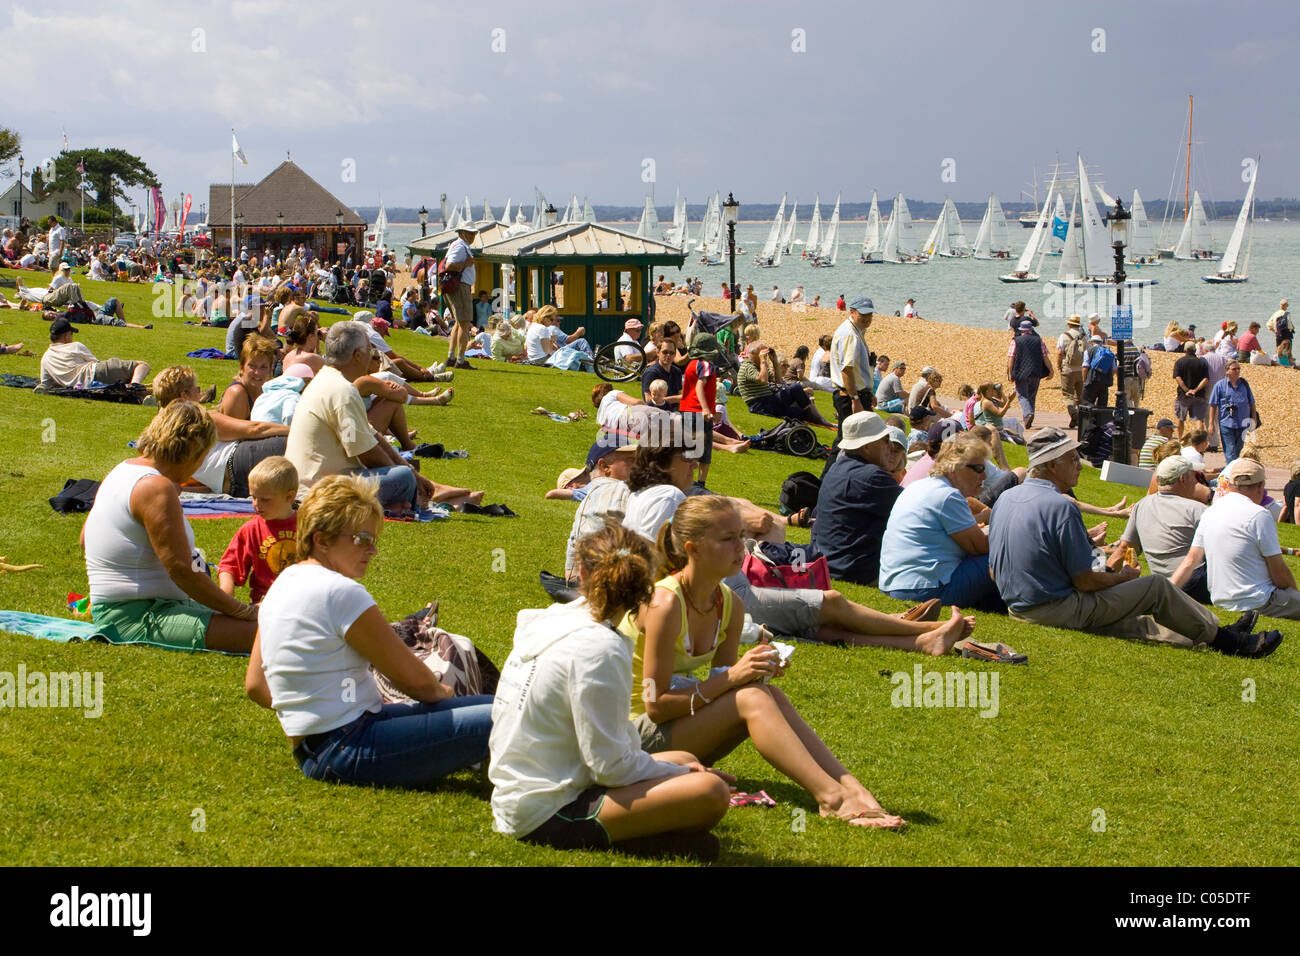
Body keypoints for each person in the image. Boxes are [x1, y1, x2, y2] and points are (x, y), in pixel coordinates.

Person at [620, 495, 907, 828]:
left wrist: (751, 673)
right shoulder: (665, 603)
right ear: (692, 548)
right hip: (629, 737)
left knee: (767, 694)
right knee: (752, 697)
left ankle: (852, 787)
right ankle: (833, 798)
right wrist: (735, 680)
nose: (740, 548)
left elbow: (724, 686)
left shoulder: (728, 604)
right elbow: (655, 705)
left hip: (673, 733)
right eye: (727, 539)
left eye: (741, 536)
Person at [489, 520, 731, 856]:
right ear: (646, 588)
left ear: (582, 574)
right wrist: (675, 773)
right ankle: (648, 838)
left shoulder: (553, 620)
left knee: (686, 759)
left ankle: (662, 834)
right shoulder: (600, 648)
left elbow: (606, 754)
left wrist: (676, 767)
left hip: (518, 791)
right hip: (547, 809)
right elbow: (609, 767)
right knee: (710, 791)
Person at [244, 475, 496, 786]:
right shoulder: (340, 592)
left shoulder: (280, 585)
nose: (372, 551)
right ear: (321, 540)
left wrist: (307, 711)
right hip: (349, 747)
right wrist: (446, 698)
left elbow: (256, 684)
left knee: (504, 707)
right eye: (362, 539)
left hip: (318, 745)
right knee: (508, 716)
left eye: (373, 540)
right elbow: (419, 684)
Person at [988, 427, 1276, 656]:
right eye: (1073, 459)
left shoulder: (1006, 499)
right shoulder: (1059, 506)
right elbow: (1086, 582)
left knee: (1135, 625)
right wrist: (1122, 578)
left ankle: (1215, 634)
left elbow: (994, 570)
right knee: (1156, 586)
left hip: (1020, 609)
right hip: (1056, 608)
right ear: (1051, 465)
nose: (1078, 465)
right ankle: (1229, 641)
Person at [81, 401, 259, 653]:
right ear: (194, 452)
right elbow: (182, 570)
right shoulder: (155, 487)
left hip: (137, 607)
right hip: (140, 614)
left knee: (277, 625)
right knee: (272, 636)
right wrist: (241, 610)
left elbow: (85, 538)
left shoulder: (123, 470)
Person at [285, 321, 478, 513]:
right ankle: (425, 499)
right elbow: (366, 453)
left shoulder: (327, 380)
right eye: (370, 351)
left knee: (405, 472)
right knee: (401, 477)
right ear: (357, 356)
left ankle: (431, 491)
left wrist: (414, 474)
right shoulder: (342, 391)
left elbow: (373, 435)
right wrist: (409, 478)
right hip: (320, 491)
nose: (372, 357)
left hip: (313, 484)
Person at [880, 432, 1003, 610]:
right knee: (1004, 553)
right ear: (954, 467)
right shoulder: (947, 496)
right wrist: (1009, 528)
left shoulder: (920, 486)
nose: (983, 476)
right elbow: (980, 547)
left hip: (894, 585)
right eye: (978, 469)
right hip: (924, 590)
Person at [1171, 458, 1296, 628]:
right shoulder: (1259, 515)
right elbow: (1278, 571)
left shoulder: (1211, 512)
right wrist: (1292, 593)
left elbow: (1190, 561)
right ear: (1260, 487)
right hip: (1258, 600)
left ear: (1230, 486)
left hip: (1219, 598)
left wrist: (1167, 591)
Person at [812, 413, 902, 586]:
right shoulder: (871, 477)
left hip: (830, 563)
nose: (890, 446)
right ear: (867, 447)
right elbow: (918, 508)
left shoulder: (838, 467)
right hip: (857, 571)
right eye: (885, 440)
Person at [1107, 456, 1209, 603]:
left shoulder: (1141, 505)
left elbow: (1124, 548)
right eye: (1194, 476)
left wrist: (1103, 579)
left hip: (1161, 582)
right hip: (1194, 582)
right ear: (1183, 479)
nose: (1197, 482)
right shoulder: (1197, 509)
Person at [217, 456, 300, 604]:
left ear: (289, 497)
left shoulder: (307, 526)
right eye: (253, 497)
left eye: (265, 499)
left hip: (303, 601)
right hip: (264, 603)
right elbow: (229, 566)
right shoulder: (251, 530)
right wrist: (226, 591)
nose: (256, 504)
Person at [39, 317, 150, 389]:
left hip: (80, 386)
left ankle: (128, 385)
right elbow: (95, 362)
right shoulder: (75, 346)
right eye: (71, 334)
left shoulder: (45, 358)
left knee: (125, 375)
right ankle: (135, 386)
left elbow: (46, 383)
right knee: (142, 366)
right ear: (65, 336)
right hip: (93, 373)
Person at [735, 344, 832, 426]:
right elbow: (763, 380)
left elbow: (778, 381)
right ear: (754, 354)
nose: (765, 355)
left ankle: (816, 417)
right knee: (796, 387)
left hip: (769, 401)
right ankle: (817, 418)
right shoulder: (748, 366)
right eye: (763, 353)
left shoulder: (760, 366)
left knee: (800, 413)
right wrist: (763, 361)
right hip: (759, 404)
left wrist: (774, 361)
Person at [829, 296, 876, 454]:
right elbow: (847, 370)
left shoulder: (854, 330)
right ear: (852, 312)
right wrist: (855, 399)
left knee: (850, 441)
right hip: (851, 396)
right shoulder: (851, 335)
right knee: (850, 442)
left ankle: (832, 476)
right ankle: (831, 476)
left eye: (869, 315)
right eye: (863, 315)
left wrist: (868, 392)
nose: (867, 319)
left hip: (856, 393)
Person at [1206, 359, 1257, 465]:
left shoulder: (1244, 384)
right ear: (1227, 371)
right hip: (1227, 423)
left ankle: (1235, 471)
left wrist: (1254, 418)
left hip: (1243, 423)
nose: (1237, 371)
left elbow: (1251, 402)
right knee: (1230, 451)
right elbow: (1213, 404)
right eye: (1234, 369)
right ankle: (1231, 473)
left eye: (1238, 369)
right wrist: (1211, 423)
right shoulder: (1220, 385)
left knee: (1239, 451)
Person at [218, 335, 278, 422]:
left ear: (271, 369)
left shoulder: (266, 391)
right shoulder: (237, 393)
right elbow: (233, 433)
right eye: (252, 366)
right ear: (241, 368)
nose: (257, 372)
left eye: (263, 367)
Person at [442, 224, 478, 369]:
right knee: (464, 322)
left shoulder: (458, 245)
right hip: (461, 286)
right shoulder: (460, 246)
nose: (473, 236)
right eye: (470, 233)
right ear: (462, 233)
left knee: (459, 322)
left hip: (459, 286)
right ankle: (460, 359)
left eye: (474, 233)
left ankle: (452, 357)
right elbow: (449, 266)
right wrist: (466, 263)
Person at [1006, 320, 1052, 427]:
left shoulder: (1016, 341)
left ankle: (1028, 414)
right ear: (1031, 330)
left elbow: (1011, 358)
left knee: (1022, 395)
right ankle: (1028, 420)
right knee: (1031, 395)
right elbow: (1045, 357)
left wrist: (1010, 372)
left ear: (1021, 330)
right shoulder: (1038, 340)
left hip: (1020, 372)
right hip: (1036, 371)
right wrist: (1051, 370)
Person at [1171, 341, 1209, 440]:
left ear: (1185, 350)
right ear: (1195, 350)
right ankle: (1199, 440)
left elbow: (1178, 378)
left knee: (1180, 418)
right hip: (1199, 395)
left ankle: (1179, 439)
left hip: (1183, 396)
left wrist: (1186, 390)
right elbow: (1205, 379)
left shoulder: (1180, 362)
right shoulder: (1201, 362)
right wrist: (1195, 390)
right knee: (1199, 420)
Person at [1057, 315, 1087, 426]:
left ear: (1069, 324)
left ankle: (1074, 414)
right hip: (1081, 370)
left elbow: (1060, 353)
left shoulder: (1063, 336)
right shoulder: (1084, 337)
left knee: (1068, 395)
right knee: (1080, 396)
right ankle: (1081, 417)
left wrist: (1059, 366)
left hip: (1068, 369)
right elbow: (1087, 353)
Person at [640, 336, 683, 405]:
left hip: (675, 410)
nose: (668, 355)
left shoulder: (676, 371)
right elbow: (648, 400)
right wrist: (676, 399)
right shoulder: (651, 372)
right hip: (657, 411)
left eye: (671, 353)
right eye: (665, 352)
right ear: (658, 352)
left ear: (675, 354)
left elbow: (678, 395)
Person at [1080, 334, 1115, 408]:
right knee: (1102, 405)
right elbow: (1114, 369)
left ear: (1091, 342)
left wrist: (1084, 380)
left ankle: (1090, 419)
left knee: (1087, 402)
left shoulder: (1088, 351)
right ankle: (1101, 419)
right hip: (1105, 382)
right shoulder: (1108, 352)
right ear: (1101, 343)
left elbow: (1085, 367)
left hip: (1091, 381)